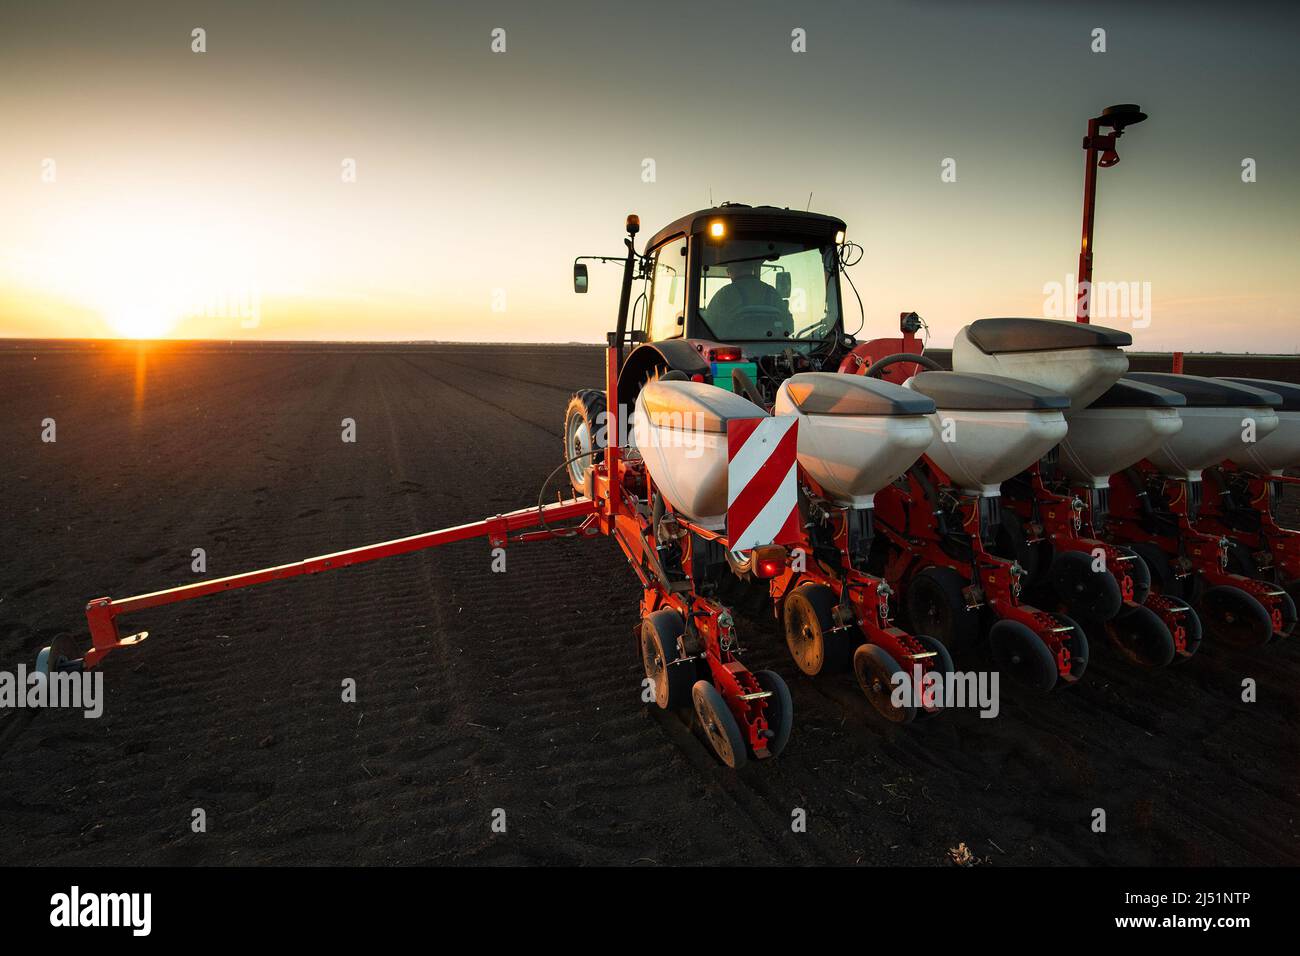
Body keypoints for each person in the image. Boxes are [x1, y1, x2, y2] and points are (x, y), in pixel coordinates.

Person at [704, 259, 790, 338]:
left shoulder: (725, 293)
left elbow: (708, 326)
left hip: (736, 350)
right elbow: (789, 326)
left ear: (729, 271)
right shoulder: (772, 292)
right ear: (751, 269)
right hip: (772, 350)